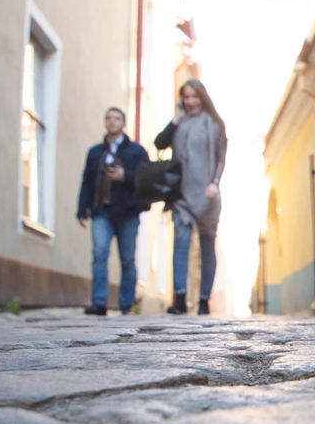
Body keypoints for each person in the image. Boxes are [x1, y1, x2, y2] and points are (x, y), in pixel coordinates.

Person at [154, 79, 227, 315]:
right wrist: (176, 118)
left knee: (207, 245)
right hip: (182, 195)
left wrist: (215, 182)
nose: (191, 100)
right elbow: (159, 143)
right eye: (186, 96)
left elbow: (221, 156)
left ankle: (204, 299)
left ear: (202, 97)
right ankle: (180, 299)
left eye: (195, 96)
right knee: (181, 244)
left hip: (207, 194)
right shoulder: (180, 122)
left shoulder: (214, 123)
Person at [76, 107, 149, 315]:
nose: (112, 121)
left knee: (127, 259)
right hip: (102, 212)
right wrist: (82, 210)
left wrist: (125, 175)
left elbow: (146, 178)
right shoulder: (95, 153)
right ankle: (99, 302)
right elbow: (87, 183)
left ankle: (126, 304)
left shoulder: (136, 151)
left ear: (123, 123)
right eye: (108, 118)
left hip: (128, 213)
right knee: (99, 254)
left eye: (116, 118)